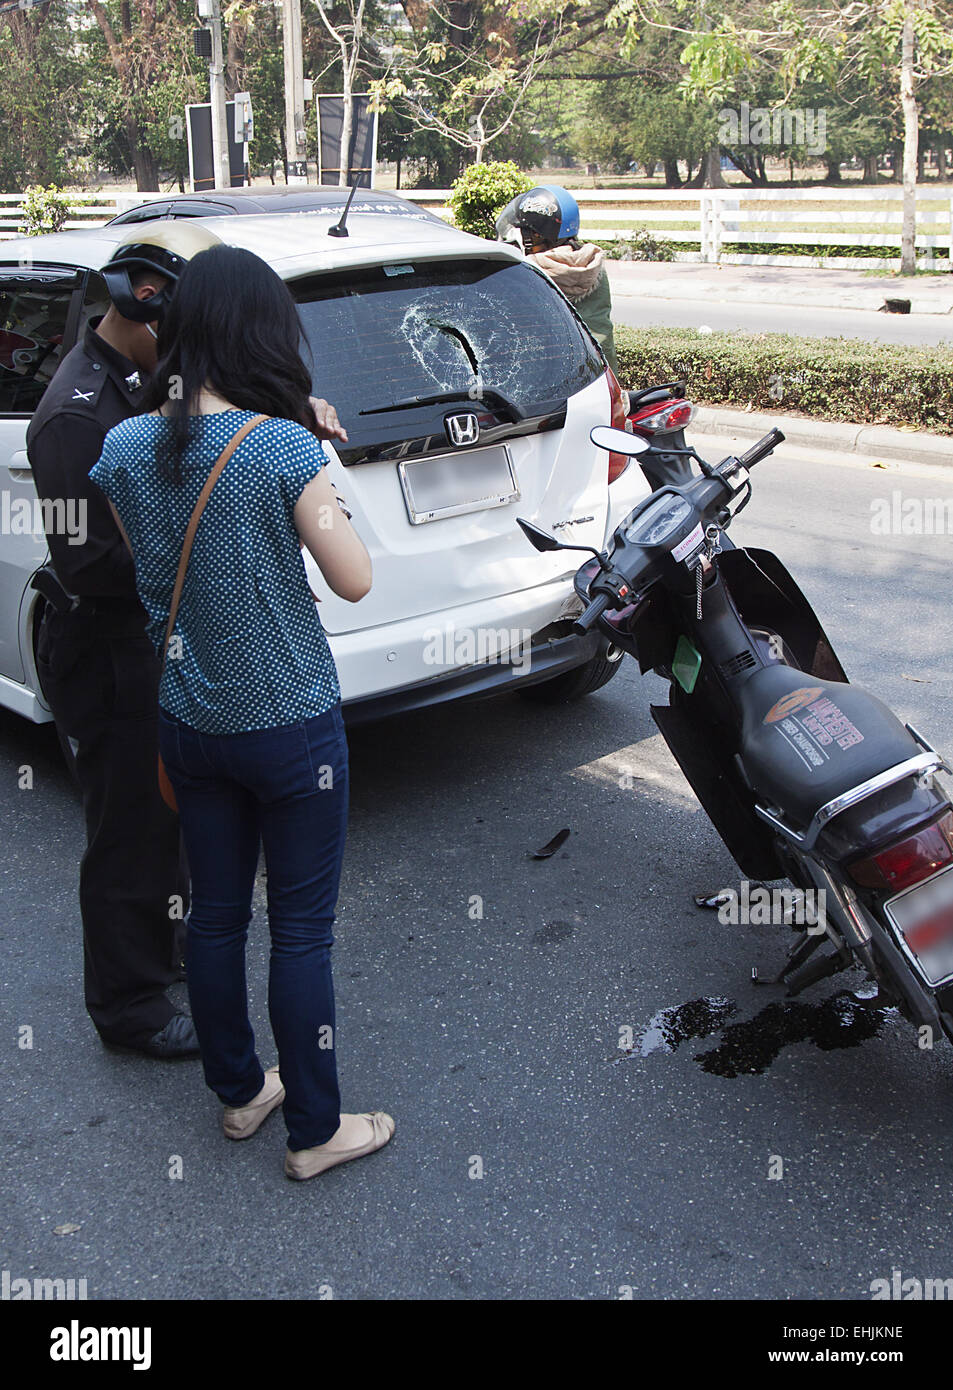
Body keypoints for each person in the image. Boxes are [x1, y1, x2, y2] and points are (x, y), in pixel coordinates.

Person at [89, 244, 394, 1180]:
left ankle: (240, 1093)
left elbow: (167, 526)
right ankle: (315, 1131)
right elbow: (354, 580)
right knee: (300, 931)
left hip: (189, 721)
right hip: (290, 725)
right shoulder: (281, 447)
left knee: (215, 918)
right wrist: (317, 465)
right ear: (263, 334)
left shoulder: (124, 446)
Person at [26, 223, 348, 1061]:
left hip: (160, 646)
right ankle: (129, 1007)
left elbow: (198, 432)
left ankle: (169, 962)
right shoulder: (77, 413)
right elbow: (84, 556)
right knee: (129, 831)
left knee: (173, 830)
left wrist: (287, 414)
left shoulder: (140, 387)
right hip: (109, 648)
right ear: (140, 304)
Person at [496, 184, 620, 377]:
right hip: (604, 376)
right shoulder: (591, 265)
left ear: (535, 235)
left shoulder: (529, 273)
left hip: (555, 382)